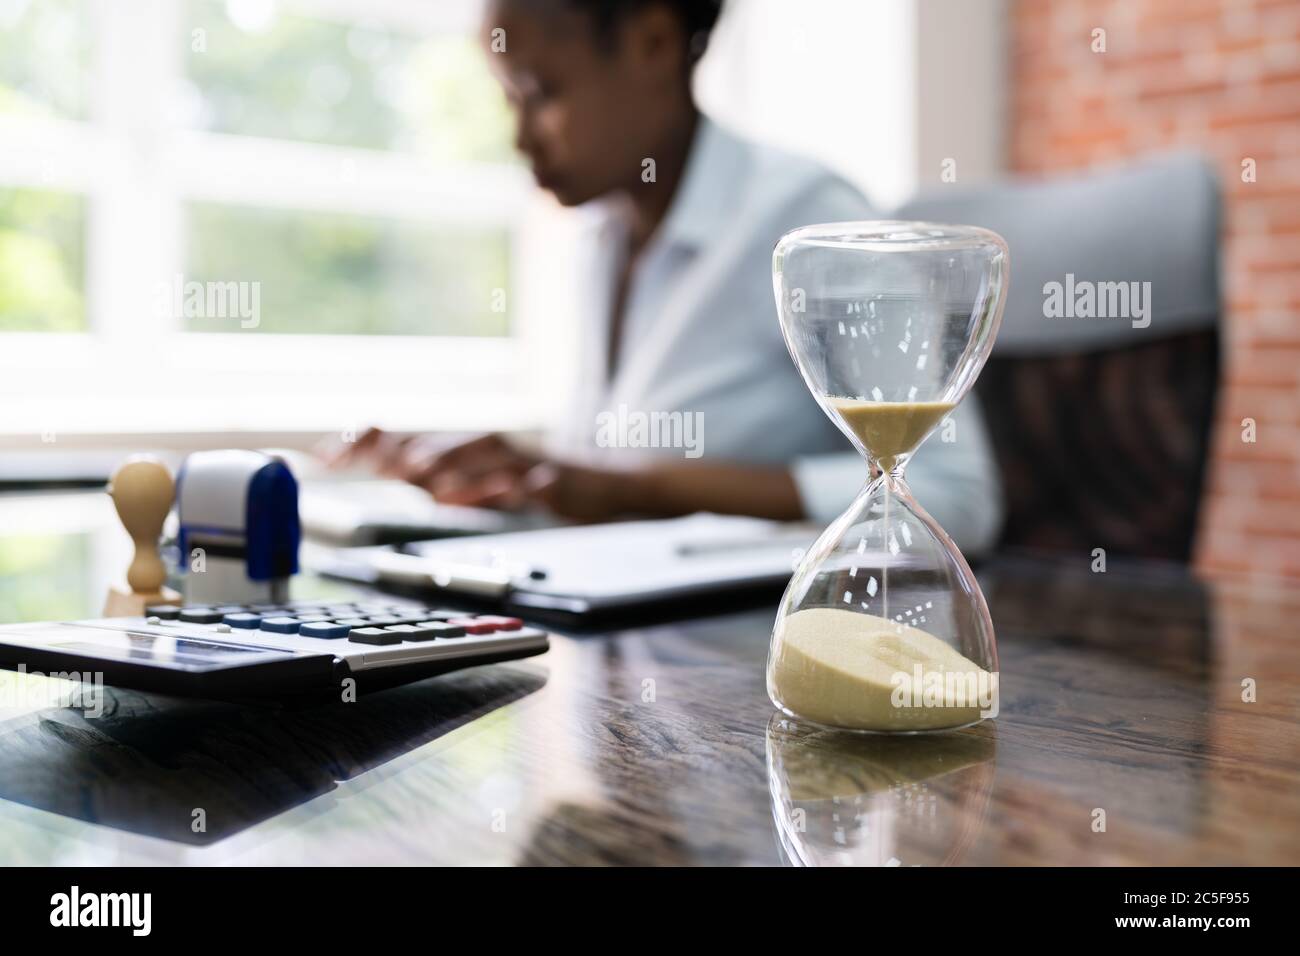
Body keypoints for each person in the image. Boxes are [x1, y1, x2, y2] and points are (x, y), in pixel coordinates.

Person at [326, 0, 1003, 554]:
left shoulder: (809, 225)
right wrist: (490, 473)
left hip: (735, 654)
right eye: (508, 98)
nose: (520, 138)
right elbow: (601, 469)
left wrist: (635, 491)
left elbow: (956, 497)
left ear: (653, 41)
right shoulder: (597, 236)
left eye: (539, 93)